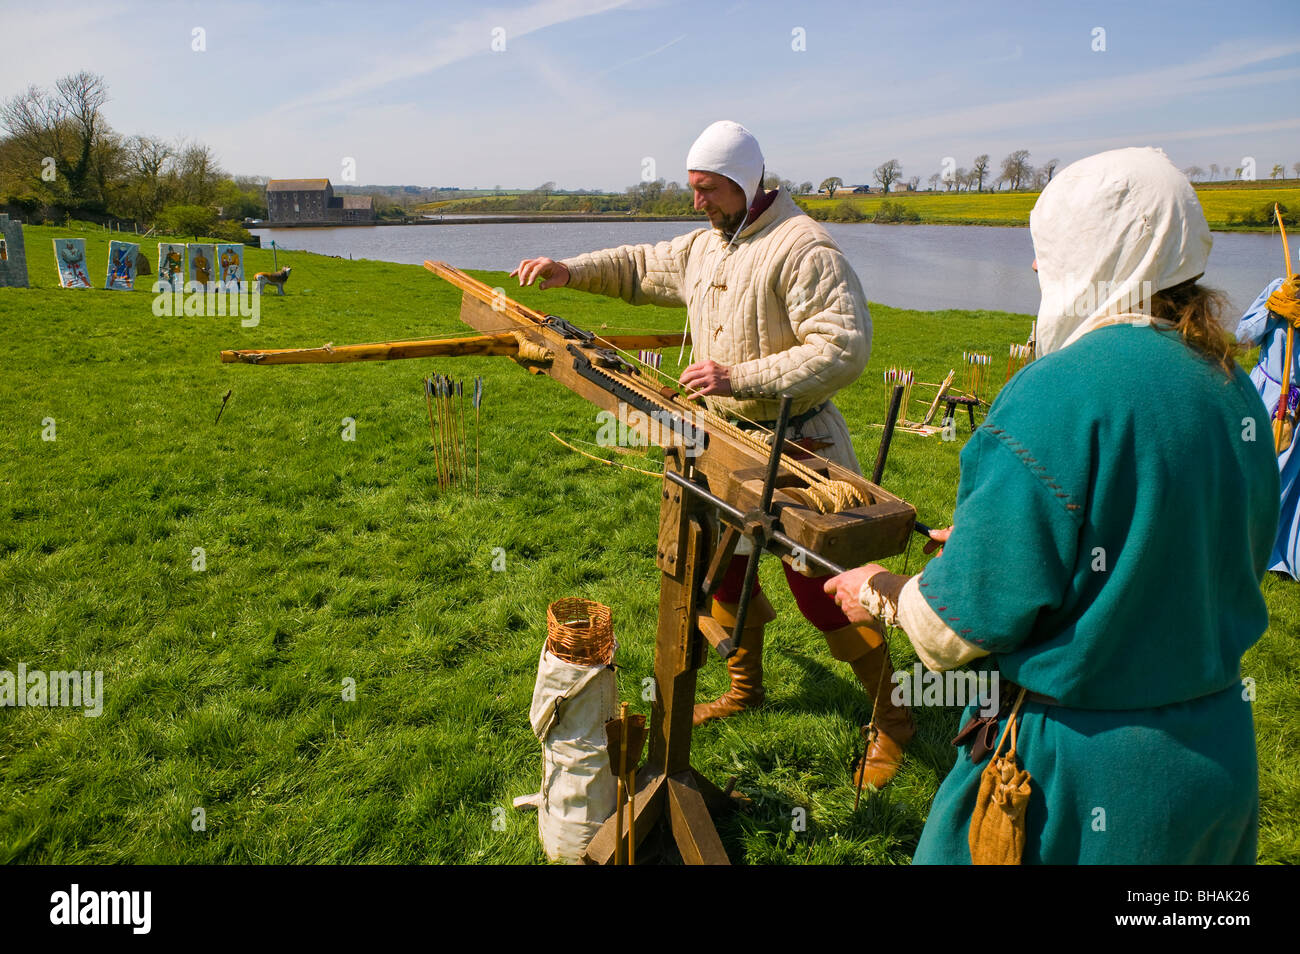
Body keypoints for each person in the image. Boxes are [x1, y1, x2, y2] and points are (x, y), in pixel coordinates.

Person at [824, 146, 1278, 863]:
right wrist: (1006, 542)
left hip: (1081, 779)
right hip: (1215, 760)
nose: (1037, 268)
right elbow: (1186, 546)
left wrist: (879, 589)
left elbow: (954, 628)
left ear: (1097, 252)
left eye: (1049, 250)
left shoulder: (1055, 393)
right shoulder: (1231, 386)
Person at [512, 120, 914, 788]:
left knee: (821, 590)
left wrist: (739, 376)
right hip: (718, 443)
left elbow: (844, 347)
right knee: (722, 573)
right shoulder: (707, 245)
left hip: (799, 446)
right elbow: (640, 267)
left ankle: (894, 719)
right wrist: (570, 271)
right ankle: (745, 688)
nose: (697, 202)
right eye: (692, 189)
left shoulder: (803, 246)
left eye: (709, 190)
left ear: (747, 184)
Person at [1235, 274, 1300, 578]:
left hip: (1296, 407)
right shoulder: (1279, 287)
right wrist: (1273, 313)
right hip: (1266, 395)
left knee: (1288, 483)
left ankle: (1277, 554)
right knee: (1253, 473)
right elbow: (1242, 337)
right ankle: (1235, 547)